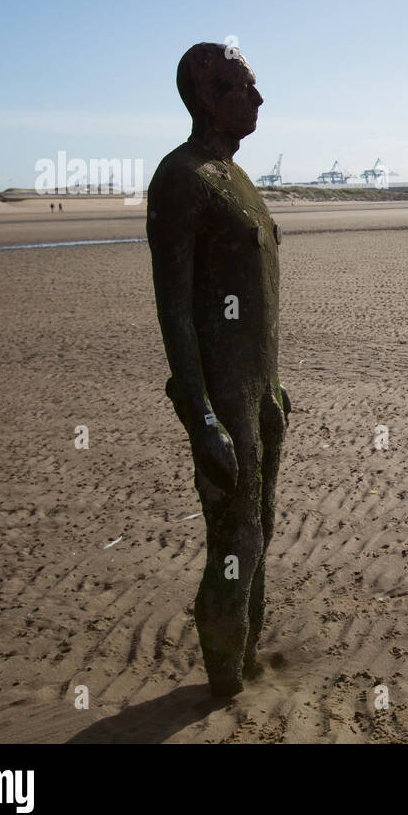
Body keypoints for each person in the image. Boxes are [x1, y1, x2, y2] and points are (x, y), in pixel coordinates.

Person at [146, 42, 291, 696]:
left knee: (261, 528)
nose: (257, 100)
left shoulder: (237, 179)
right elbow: (174, 308)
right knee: (236, 537)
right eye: (243, 87)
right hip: (223, 397)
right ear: (208, 97)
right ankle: (224, 680)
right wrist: (202, 416)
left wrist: (275, 392)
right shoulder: (183, 180)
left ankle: (248, 656)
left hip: (261, 392)